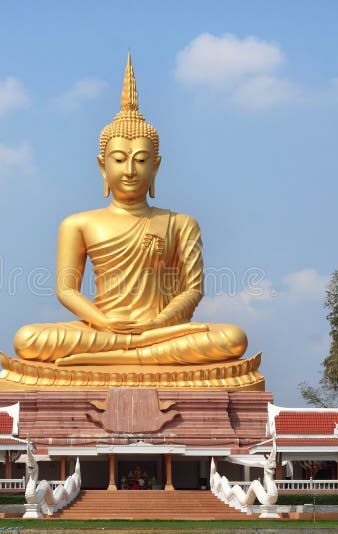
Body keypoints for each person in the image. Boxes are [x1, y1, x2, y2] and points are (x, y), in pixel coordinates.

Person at [13, 54, 247, 366]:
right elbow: (67, 290)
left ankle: (120, 354)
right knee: (28, 339)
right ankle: (135, 352)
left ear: (156, 167)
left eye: (140, 159)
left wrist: (158, 324)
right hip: (102, 329)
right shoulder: (79, 224)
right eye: (120, 158)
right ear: (102, 166)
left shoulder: (180, 223)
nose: (130, 169)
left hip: (162, 330)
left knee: (232, 339)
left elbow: (192, 291)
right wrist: (105, 324)